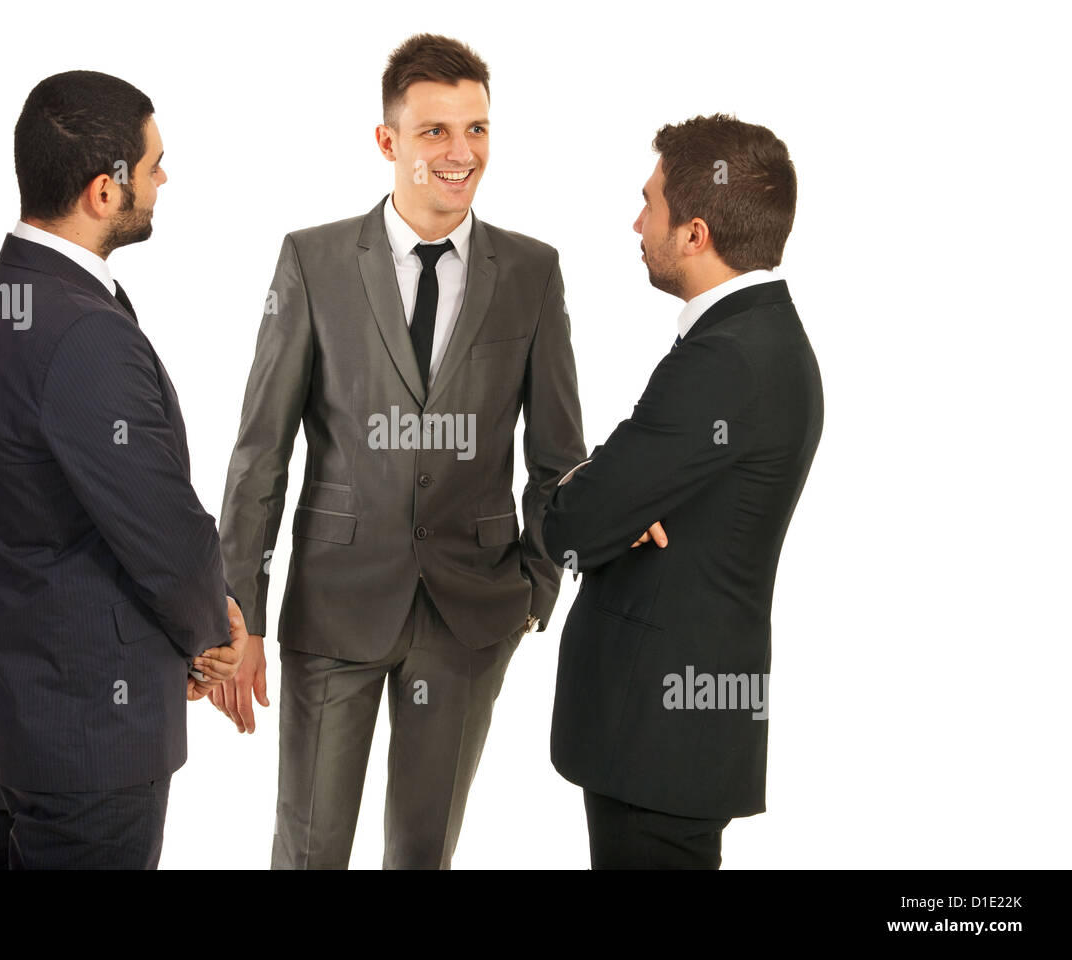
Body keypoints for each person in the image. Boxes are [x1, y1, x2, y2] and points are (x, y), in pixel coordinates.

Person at [214, 34, 587, 869]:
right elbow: (259, 451)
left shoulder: (532, 271)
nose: (463, 154)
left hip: (471, 613)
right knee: (310, 849)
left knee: (424, 854)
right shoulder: (311, 261)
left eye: (479, 129)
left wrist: (537, 587)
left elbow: (559, 455)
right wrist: (238, 610)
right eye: (436, 133)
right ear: (388, 142)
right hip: (336, 604)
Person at [0, 70, 246, 869]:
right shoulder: (84, 335)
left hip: (23, 726)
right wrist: (213, 635)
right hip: (90, 746)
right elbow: (164, 534)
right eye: (151, 165)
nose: (163, 178)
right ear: (102, 191)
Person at [544, 114, 823, 869]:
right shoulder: (767, 339)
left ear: (695, 233)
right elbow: (615, 500)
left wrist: (597, 498)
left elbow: (573, 521)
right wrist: (616, 500)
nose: (637, 223)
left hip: (658, 740)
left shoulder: (724, 360)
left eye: (651, 203)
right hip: (682, 731)